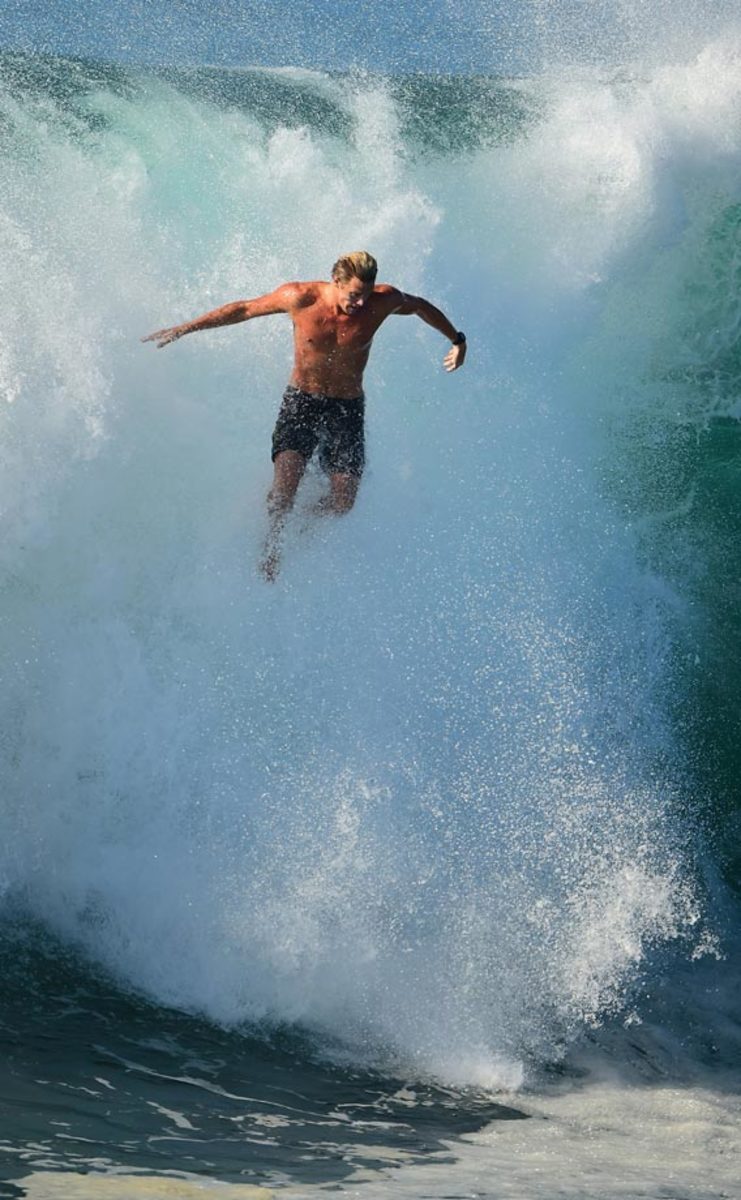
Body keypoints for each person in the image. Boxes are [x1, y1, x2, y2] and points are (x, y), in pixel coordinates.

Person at [143, 250, 467, 579]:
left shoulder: (383, 301)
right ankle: (271, 546)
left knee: (343, 503)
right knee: (285, 490)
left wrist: (458, 340)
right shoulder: (300, 298)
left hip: (347, 408)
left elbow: (420, 307)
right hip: (302, 403)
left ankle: (300, 532)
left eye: (366, 295)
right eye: (354, 295)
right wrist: (186, 328)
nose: (360, 304)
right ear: (335, 282)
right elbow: (243, 309)